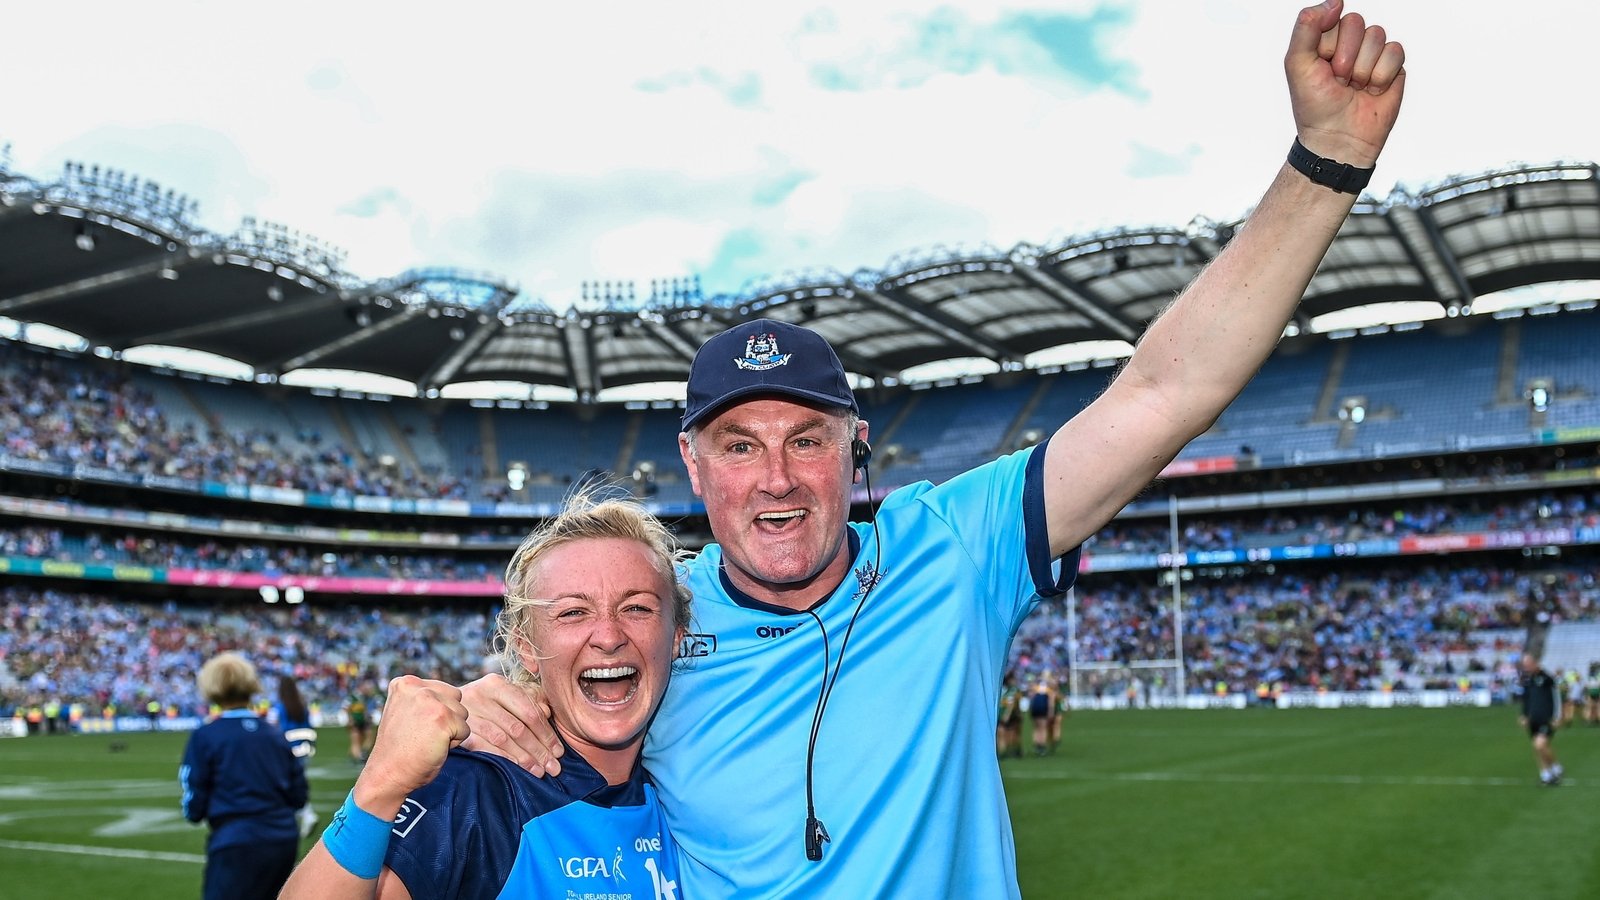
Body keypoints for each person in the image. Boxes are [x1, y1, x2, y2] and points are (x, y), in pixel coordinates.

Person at [459, 3, 1406, 894]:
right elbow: (541, 693)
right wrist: (481, 702)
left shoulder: (953, 549)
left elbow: (1166, 393)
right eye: (739, 446)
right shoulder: (654, 624)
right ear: (694, 465)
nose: (778, 477)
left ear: (856, 450)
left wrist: (1326, 158)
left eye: (808, 440)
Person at [280, 493, 690, 899]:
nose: (608, 637)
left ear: (677, 637)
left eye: (637, 608)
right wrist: (380, 784)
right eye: (572, 612)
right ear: (526, 646)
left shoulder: (695, 785)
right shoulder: (476, 790)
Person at [179, 651, 308, 900]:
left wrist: (195, 812)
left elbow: (194, 793)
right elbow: (298, 793)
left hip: (235, 840)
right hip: (283, 839)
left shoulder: (207, 735)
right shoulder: (273, 733)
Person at [274, 675, 321, 838]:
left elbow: (277, 729)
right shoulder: (302, 705)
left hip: (287, 749)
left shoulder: (280, 707)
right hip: (303, 748)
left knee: (285, 785)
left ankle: (305, 815)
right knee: (295, 783)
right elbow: (310, 726)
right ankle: (301, 815)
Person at [1517, 653, 1564, 786]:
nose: (1526, 668)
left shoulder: (1548, 678)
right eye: (1524, 666)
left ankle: (1555, 768)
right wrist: (1524, 715)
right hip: (1533, 720)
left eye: (1528, 665)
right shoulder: (1527, 680)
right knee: (1537, 747)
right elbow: (1526, 700)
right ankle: (1546, 775)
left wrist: (1557, 716)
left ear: (1535, 663)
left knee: (1540, 744)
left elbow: (1557, 697)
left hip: (1547, 719)